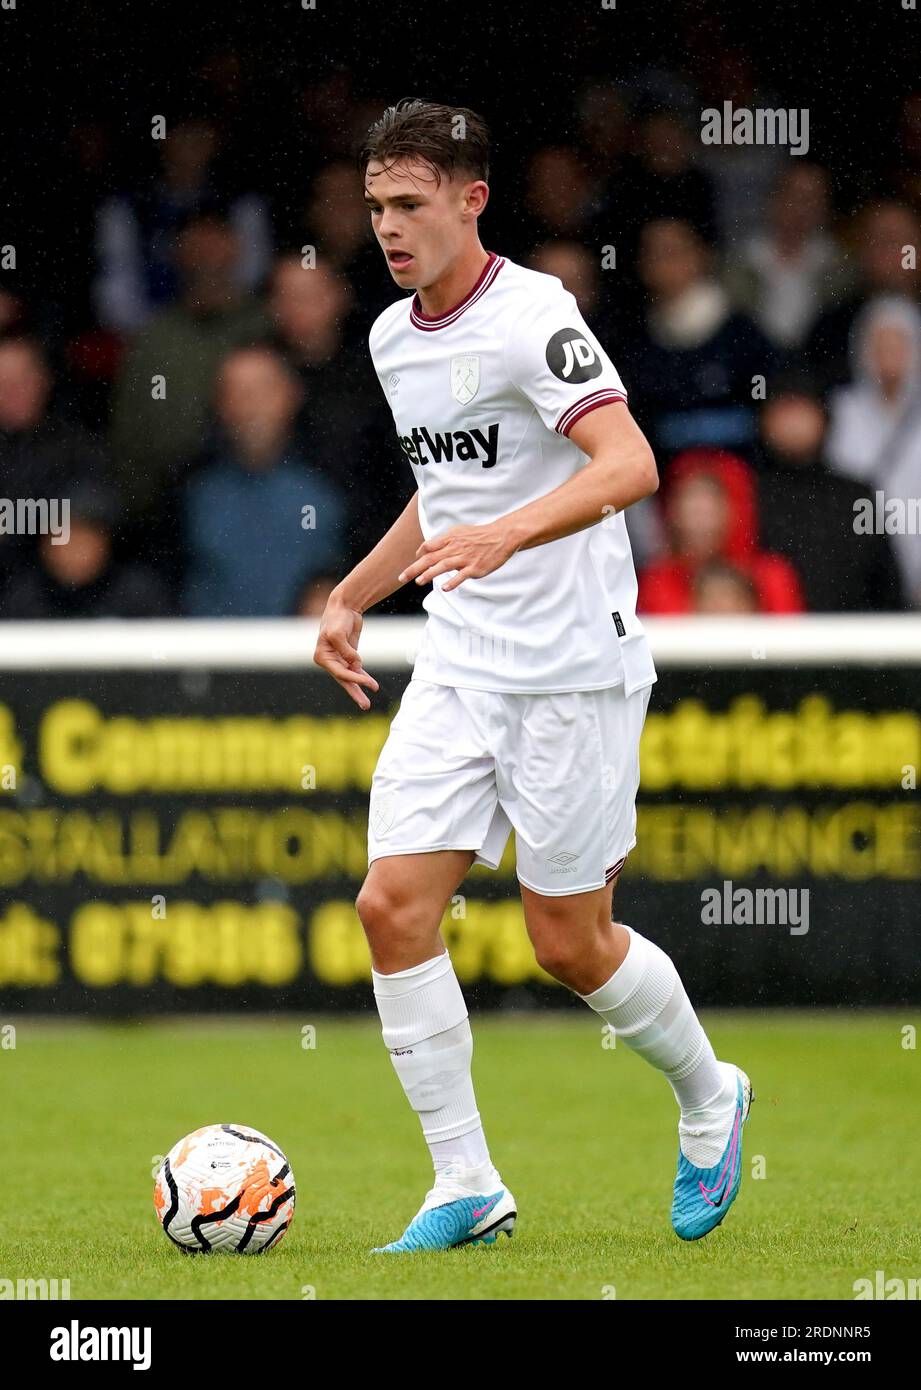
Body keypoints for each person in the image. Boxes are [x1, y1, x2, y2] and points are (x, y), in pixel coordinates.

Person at [313, 100, 753, 1254]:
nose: (390, 228)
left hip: (571, 669)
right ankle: (466, 1182)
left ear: (473, 199)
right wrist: (356, 593)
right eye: (375, 207)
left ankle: (712, 1093)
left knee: (569, 943)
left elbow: (630, 462)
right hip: (462, 660)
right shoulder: (391, 338)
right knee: (390, 904)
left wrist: (510, 534)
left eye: (411, 204)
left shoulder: (534, 314)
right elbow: (445, 495)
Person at [638, 449, 804, 614]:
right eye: (692, 510)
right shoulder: (657, 583)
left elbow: (791, 635)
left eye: (710, 510)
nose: (700, 523)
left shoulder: (773, 578)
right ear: (673, 514)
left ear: (737, 511)